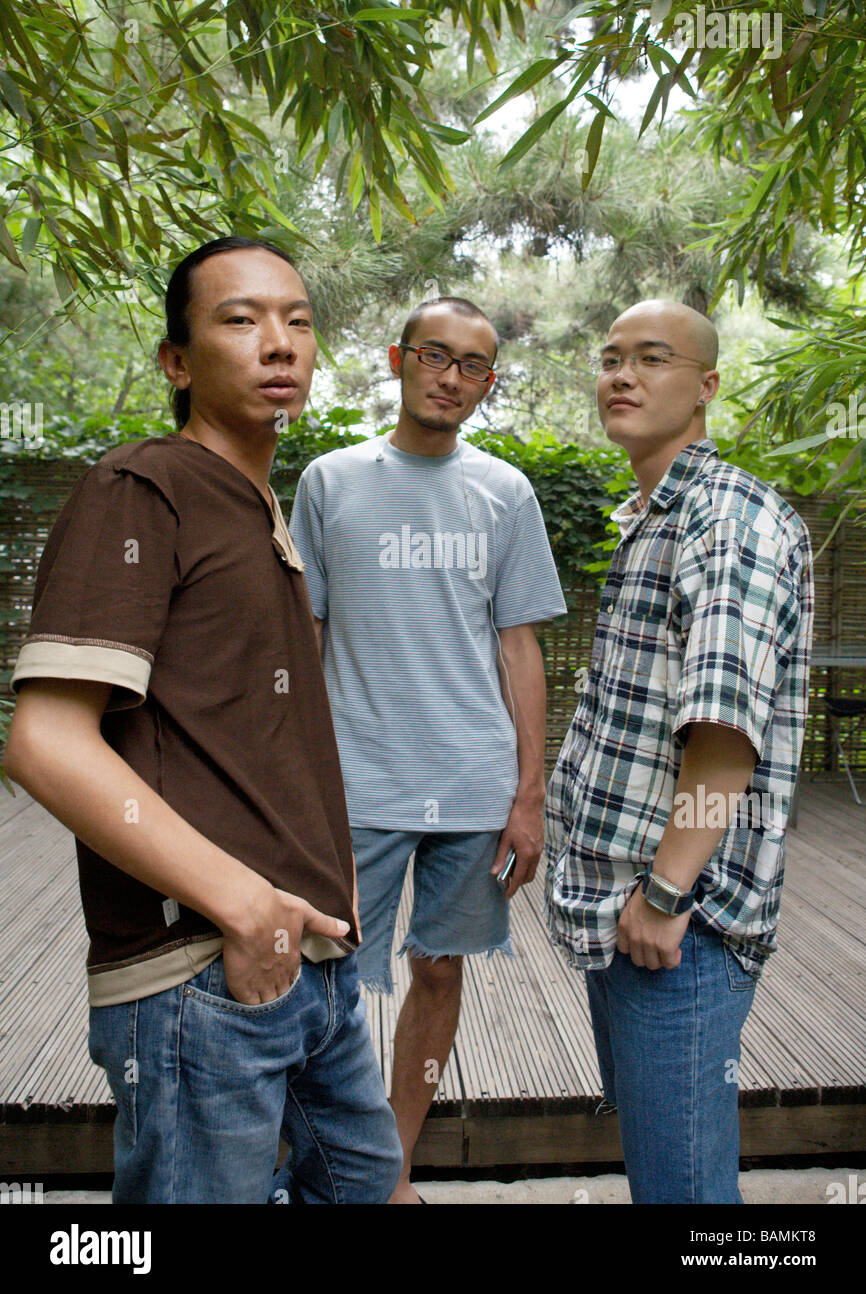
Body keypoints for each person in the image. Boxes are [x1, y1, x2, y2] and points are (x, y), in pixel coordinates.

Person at [4, 236, 402, 1205]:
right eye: (240, 318)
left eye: (297, 319)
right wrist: (243, 905)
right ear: (176, 363)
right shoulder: (143, 486)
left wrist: (323, 892)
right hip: (200, 972)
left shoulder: (258, 505)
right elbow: (45, 743)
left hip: (311, 958)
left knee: (366, 1185)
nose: (280, 341)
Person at [290, 296, 567, 1202]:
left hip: (473, 782)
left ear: (489, 383)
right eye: (435, 355)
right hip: (355, 781)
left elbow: (518, 648)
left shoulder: (505, 493)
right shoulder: (330, 481)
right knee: (317, 978)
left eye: (473, 365)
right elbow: (305, 633)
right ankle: (318, 1166)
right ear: (398, 359)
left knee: (440, 972)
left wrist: (529, 796)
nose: (451, 377)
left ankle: (392, 1171)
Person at [545, 299, 813, 1205]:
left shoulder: (727, 518)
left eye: (652, 358)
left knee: (684, 1198)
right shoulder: (658, 516)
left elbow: (725, 737)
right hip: (629, 913)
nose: (621, 374)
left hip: (676, 926)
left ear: (706, 386)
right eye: (610, 357)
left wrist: (664, 895)